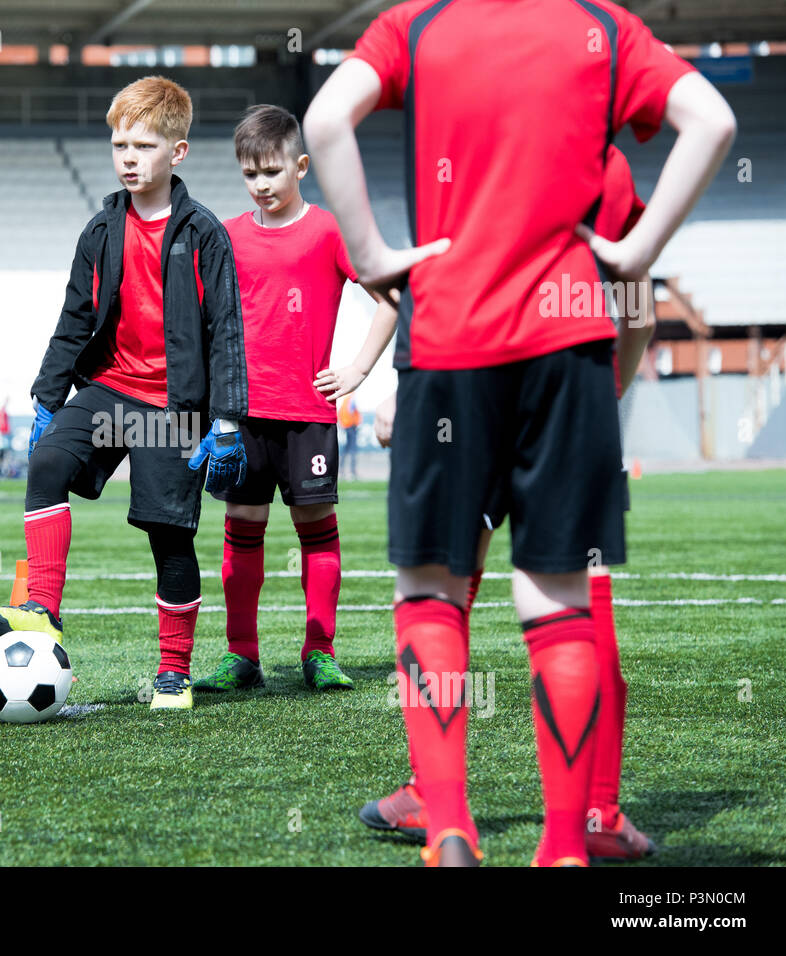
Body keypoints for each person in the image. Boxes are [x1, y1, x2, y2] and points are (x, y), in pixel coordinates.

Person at [305, 0, 734, 865]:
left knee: (431, 588)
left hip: (454, 345)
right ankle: (568, 843)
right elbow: (713, 120)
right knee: (561, 601)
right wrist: (635, 248)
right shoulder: (602, 28)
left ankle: (450, 822)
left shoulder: (417, 25)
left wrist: (375, 252)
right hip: (570, 353)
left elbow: (322, 120)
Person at [361, 144, 660, 862]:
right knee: (576, 598)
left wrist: (408, 389)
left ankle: (439, 805)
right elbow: (638, 305)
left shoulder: (456, 145)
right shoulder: (599, 159)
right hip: (562, 380)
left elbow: (429, 271)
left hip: (458, 381)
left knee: (441, 585)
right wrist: (606, 394)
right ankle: (594, 814)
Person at [0, 76, 248, 711]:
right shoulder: (100, 230)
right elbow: (74, 319)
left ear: (176, 153)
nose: (128, 157)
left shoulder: (204, 234)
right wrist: (47, 399)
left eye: (143, 145)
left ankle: (174, 671)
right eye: (119, 144)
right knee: (45, 464)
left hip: (171, 409)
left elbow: (228, 330)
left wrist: (227, 420)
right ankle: (41, 608)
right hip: (111, 394)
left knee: (167, 532)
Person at [190, 104, 396, 694]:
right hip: (243, 415)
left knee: (316, 526)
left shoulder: (328, 231)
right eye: (250, 174)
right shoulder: (225, 237)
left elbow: (390, 300)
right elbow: (204, 321)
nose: (261, 185)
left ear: (300, 166)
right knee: (242, 524)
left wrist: (357, 368)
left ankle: (320, 651)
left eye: (272, 172)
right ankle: (241, 656)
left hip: (307, 413)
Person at [338, 395, 361, 481]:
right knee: (352, 450)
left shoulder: (345, 399)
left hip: (346, 426)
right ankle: (352, 472)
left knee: (346, 450)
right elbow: (351, 410)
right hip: (351, 427)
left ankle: (341, 471)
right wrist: (356, 423)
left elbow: (340, 412)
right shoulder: (351, 398)